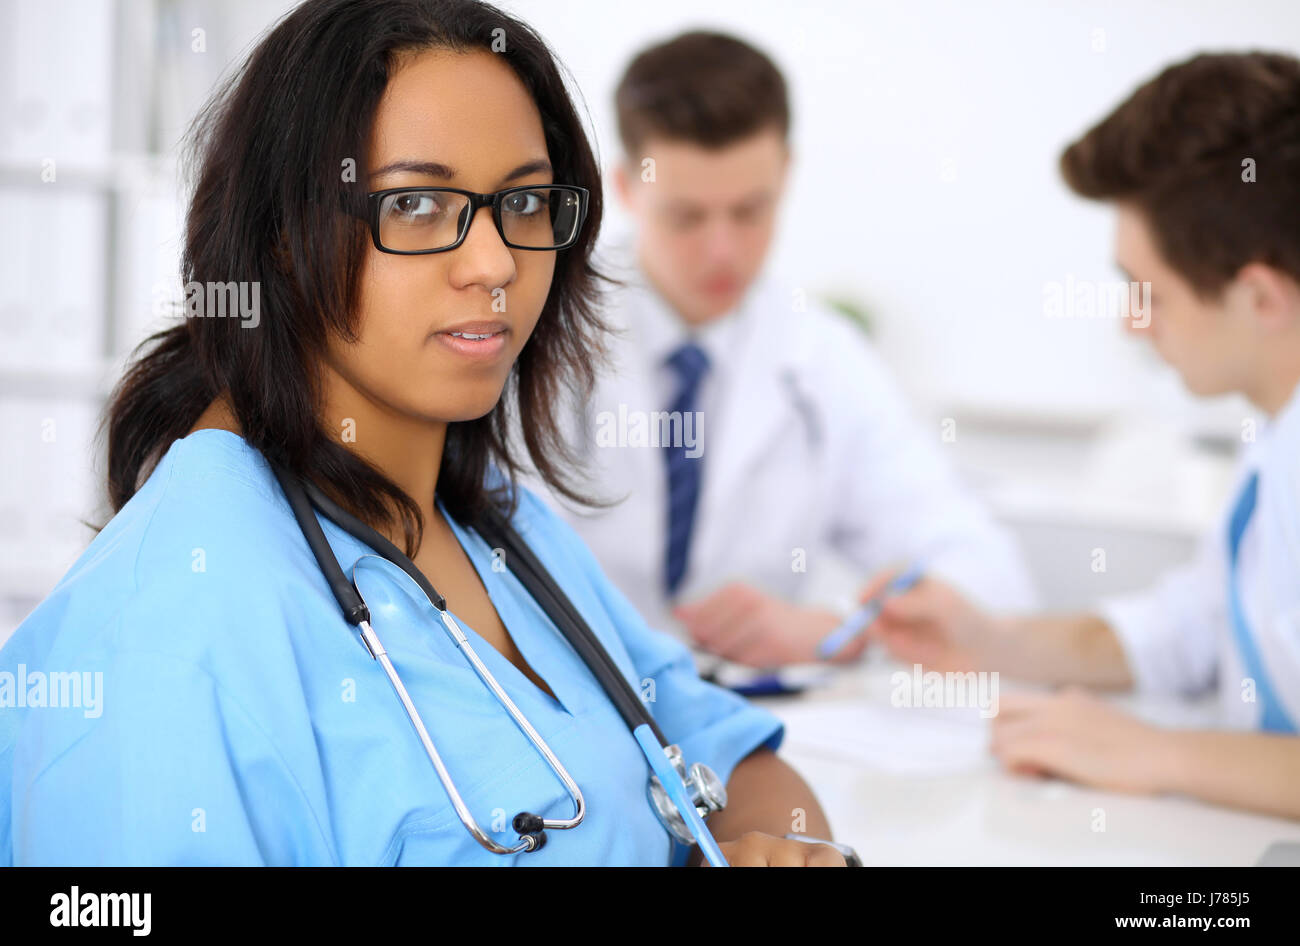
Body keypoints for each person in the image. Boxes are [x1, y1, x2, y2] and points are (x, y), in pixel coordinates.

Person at [0, 0, 850, 866]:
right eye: (414, 203)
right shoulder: (175, 616)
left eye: (522, 201)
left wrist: (788, 850)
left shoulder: (502, 527)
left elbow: (733, 760)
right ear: (282, 237)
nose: (494, 265)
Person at [862, 51, 1300, 819]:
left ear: (1259, 296)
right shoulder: (1275, 442)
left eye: (1148, 292)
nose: (1133, 322)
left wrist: (1159, 754)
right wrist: (989, 641)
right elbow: (1187, 629)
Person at [526, 31, 1036, 678]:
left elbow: (989, 577)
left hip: (757, 721)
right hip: (570, 706)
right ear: (626, 186)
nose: (723, 251)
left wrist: (840, 626)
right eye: (687, 216)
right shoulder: (538, 331)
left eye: (750, 211)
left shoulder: (823, 357)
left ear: (786, 174)